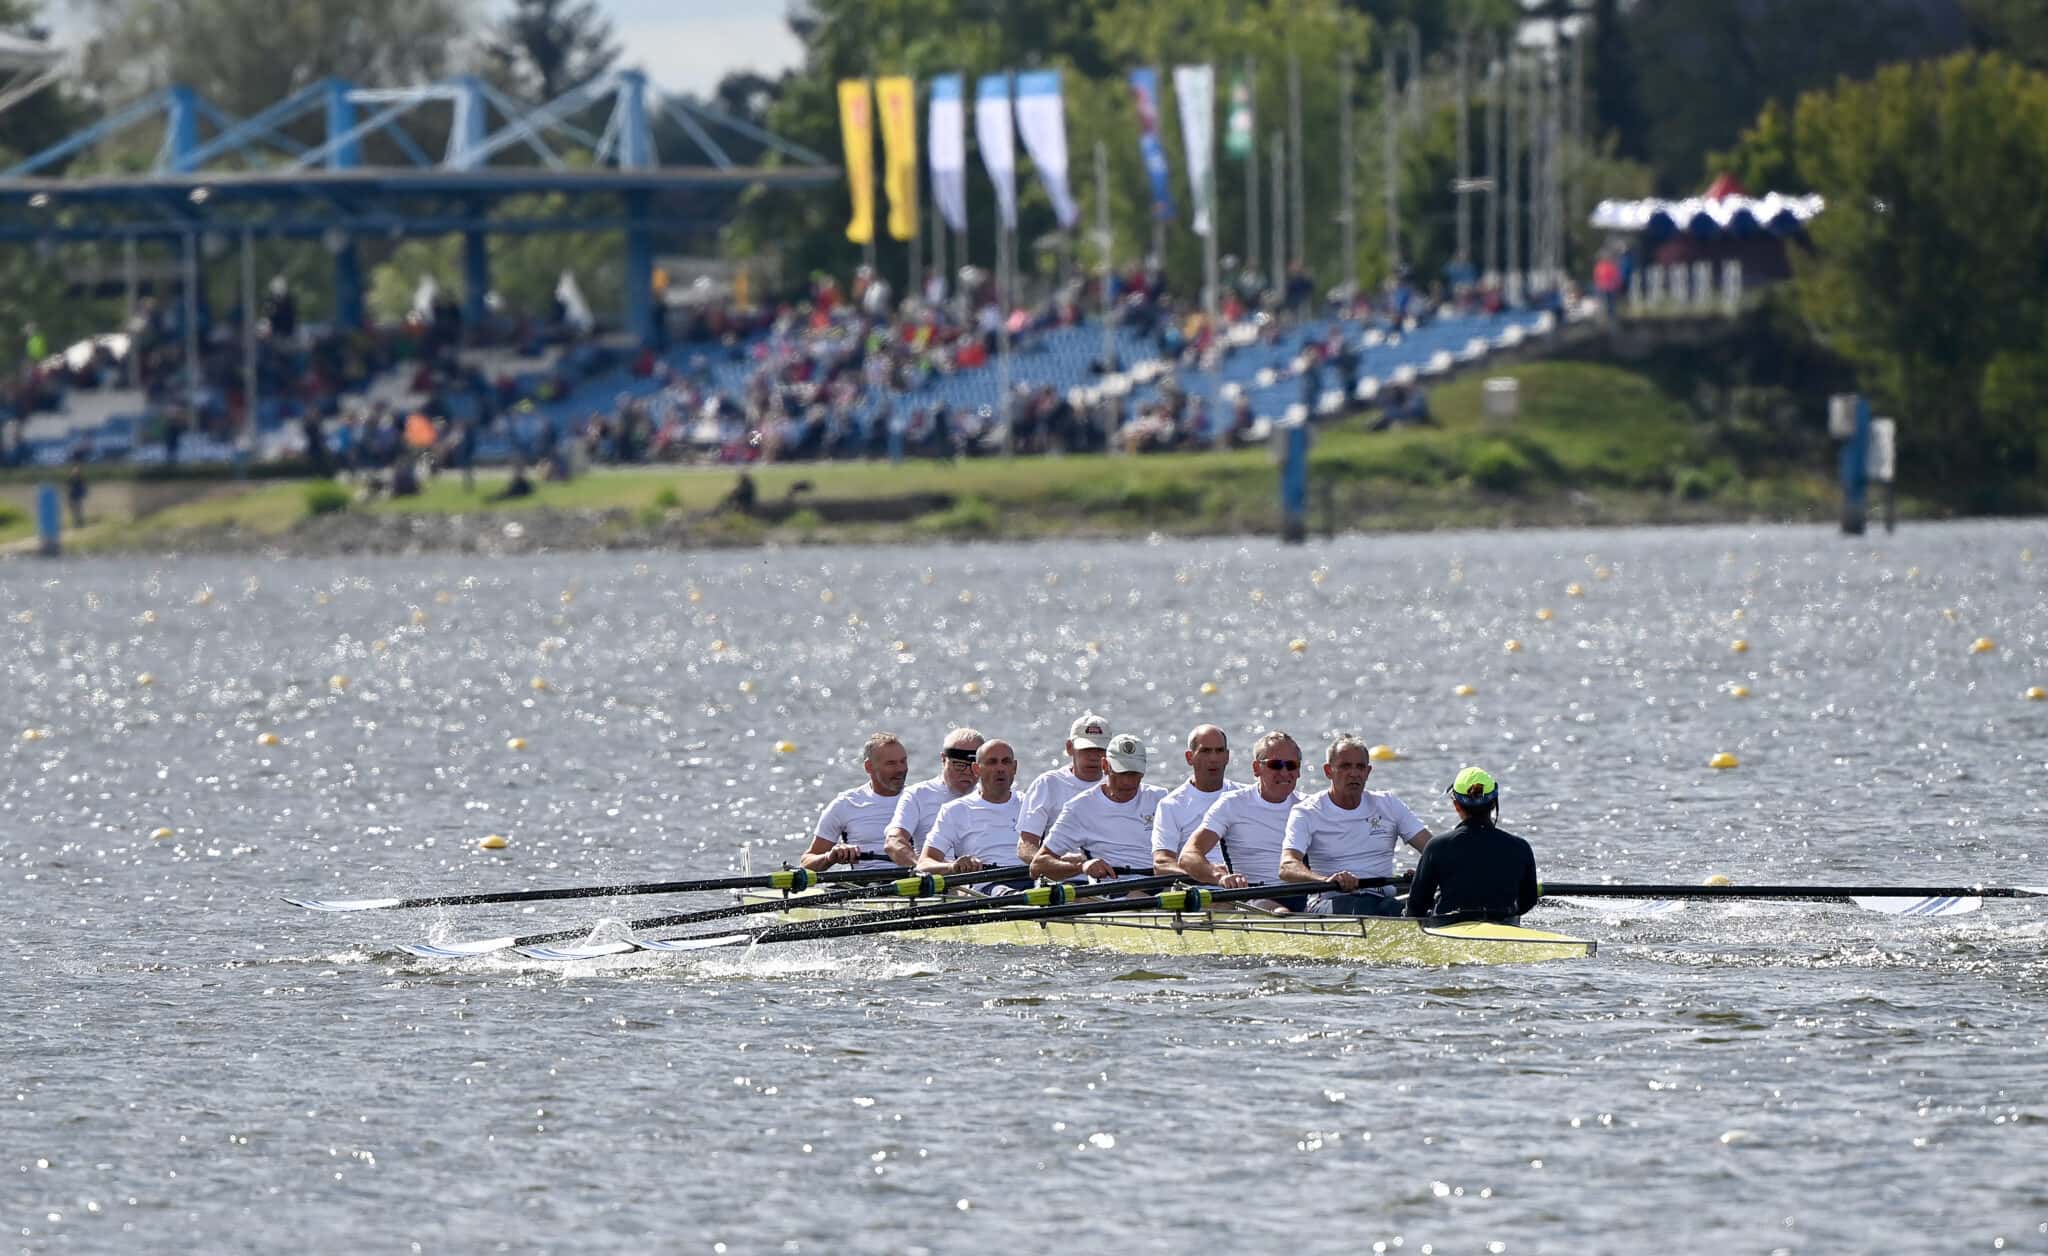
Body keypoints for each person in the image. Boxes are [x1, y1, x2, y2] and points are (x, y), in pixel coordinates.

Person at [1278, 735, 1433, 916]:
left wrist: (1425, 873)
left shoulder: (1389, 804)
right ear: (1328, 771)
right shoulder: (1307, 812)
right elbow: (1287, 867)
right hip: (1330, 900)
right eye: (1345, 766)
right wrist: (1327, 880)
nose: (1354, 773)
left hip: (1384, 900)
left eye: (1360, 767)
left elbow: (1434, 850)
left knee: (1425, 904)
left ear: (1368, 772)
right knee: (1367, 908)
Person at [1176, 731, 1306, 908]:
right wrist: (1219, 877)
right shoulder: (1231, 804)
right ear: (1256, 768)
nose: (1284, 772)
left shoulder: (1310, 806)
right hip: (1253, 896)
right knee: (1277, 911)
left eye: (1291, 765)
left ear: (1298, 771)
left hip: (1308, 893)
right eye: (1275, 765)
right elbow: (1189, 856)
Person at [1405, 767, 1539, 923]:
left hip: (1449, 930)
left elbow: (1417, 905)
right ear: (1493, 804)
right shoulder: (1521, 847)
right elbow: (1528, 901)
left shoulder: (1437, 846)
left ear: (1456, 805)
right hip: (1503, 927)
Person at [1032, 734, 1168, 880]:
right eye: (1121, 773)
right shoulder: (1079, 808)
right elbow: (1038, 866)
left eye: (1134, 773)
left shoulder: (1160, 798)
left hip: (1163, 884)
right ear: (1105, 766)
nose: (1129, 782)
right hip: (1115, 890)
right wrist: (1082, 867)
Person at [798, 732, 912, 871]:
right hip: (866, 885)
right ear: (869, 767)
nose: (900, 769)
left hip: (918, 881)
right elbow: (806, 863)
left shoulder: (920, 800)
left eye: (903, 761)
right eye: (891, 763)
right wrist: (830, 857)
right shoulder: (845, 804)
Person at [1013, 712, 1112, 865]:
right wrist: (1056, 865)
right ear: (1070, 748)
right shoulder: (1047, 784)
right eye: (1086, 749)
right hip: (1064, 878)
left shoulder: (1120, 785)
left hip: (1111, 876)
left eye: (1100, 750)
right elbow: (1026, 847)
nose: (1094, 757)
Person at [881, 727, 984, 866]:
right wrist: (923, 869)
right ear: (943, 759)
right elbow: (893, 842)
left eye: (973, 767)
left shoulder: (992, 796)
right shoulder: (918, 795)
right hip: (938, 880)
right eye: (959, 765)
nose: (967, 772)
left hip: (981, 879)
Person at [1150, 725, 1245, 874]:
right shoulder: (1171, 805)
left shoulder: (1245, 795)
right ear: (1189, 757)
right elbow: (1162, 863)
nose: (1213, 758)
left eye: (1219, 751)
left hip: (1246, 884)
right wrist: (1209, 874)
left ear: (1227, 757)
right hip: (1201, 888)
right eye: (1205, 751)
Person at [917, 739, 1022, 875]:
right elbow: (924, 863)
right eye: (992, 762)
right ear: (976, 769)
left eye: (1006, 762)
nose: (1000, 768)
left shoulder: (1030, 804)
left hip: (1032, 881)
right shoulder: (955, 811)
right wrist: (953, 867)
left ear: (1014, 768)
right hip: (985, 885)